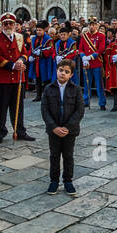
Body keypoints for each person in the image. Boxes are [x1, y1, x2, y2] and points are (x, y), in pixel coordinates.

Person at [38, 51, 85, 193]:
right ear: (56, 71)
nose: (62, 73)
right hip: (54, 129)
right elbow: (44, 109)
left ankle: (68, 181)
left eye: (66, 71)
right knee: (54, 155)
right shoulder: (48, 88)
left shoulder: (76, 89)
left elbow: (80, 110)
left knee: (68, 155)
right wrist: (53, 127)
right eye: (60, 70)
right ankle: (54, 180)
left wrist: (67, 127)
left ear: (71, 75)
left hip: (70, 130)